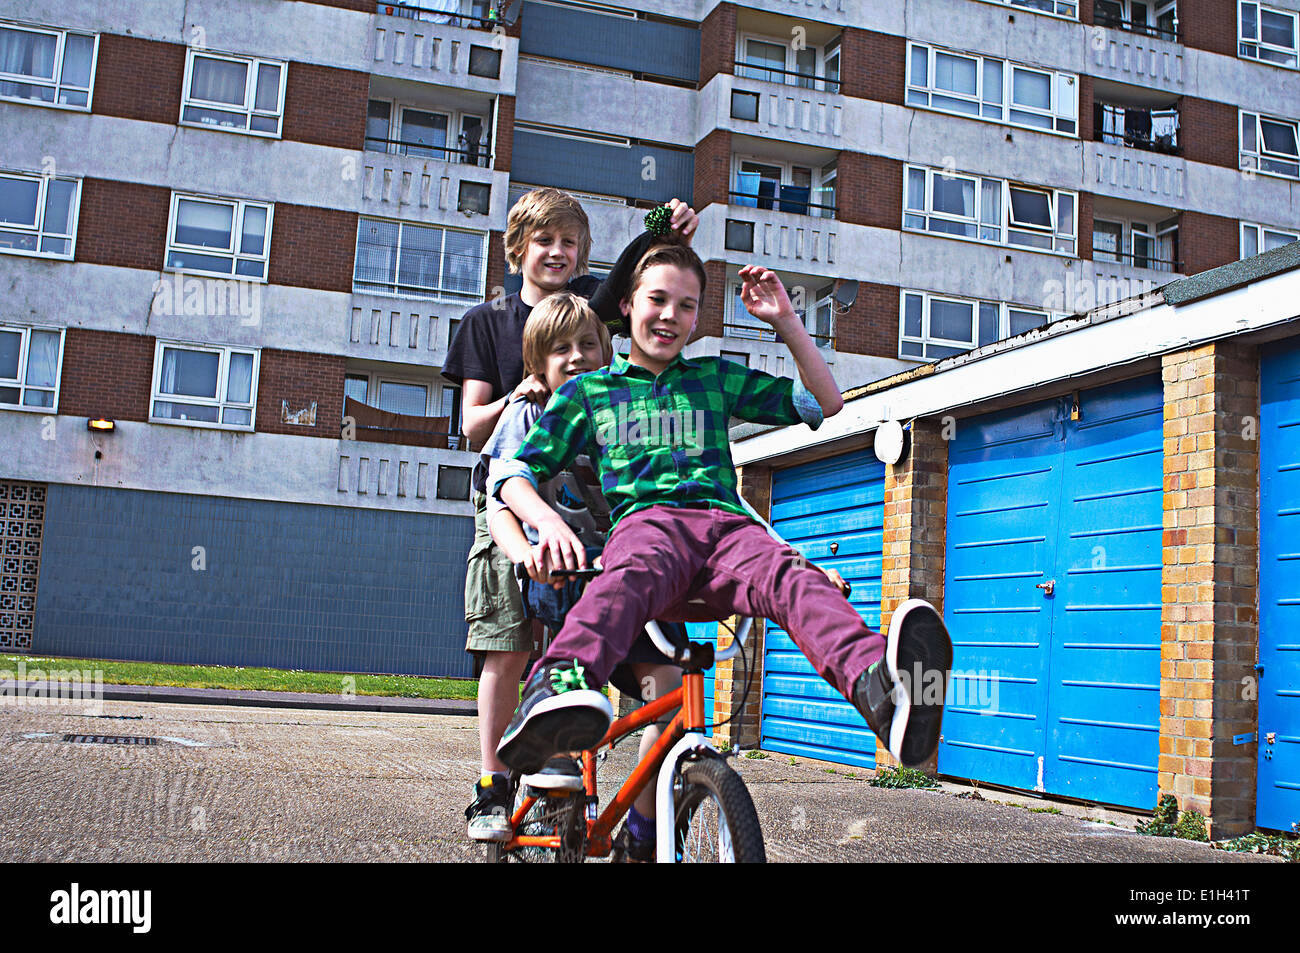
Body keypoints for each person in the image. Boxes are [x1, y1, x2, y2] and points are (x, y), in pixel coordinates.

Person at [491, 242, 954, 779]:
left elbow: (825, 402)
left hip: (728, 531)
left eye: (686, 306)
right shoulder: (590, 392)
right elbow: (513, 474)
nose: (670, 315)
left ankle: (882, 692)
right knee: (629, 572)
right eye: (657, 300)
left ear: (697, 319)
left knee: (792, 577)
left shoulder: (713, 377)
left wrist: (786, 321)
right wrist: (546, 522)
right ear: (627, 306)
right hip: (649, 527)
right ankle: (557, 688)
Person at [442, 187, 697, 842]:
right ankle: (493, 784)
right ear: (517, 248)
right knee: (509, 640)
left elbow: (638, 287)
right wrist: (520, 396)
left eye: (570, 242)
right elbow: (474, 429)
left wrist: (664, 235)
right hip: (513, 494)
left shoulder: (589, 308)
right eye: (545, 241)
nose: (557, 252)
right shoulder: (487, 322)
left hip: (595, 511)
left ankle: (637, 814)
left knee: (637, 643)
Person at [481, 291, 682, 860]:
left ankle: (641, 830)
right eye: (559, 349)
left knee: (668, 692)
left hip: (633, 579)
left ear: (607, 350)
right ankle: (548, 752)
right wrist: (526, 551)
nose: (575, 356)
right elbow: (501, 500)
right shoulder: (529, 415)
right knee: (568, 684)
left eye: (587, 344)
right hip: (566, 577)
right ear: (537, 366)